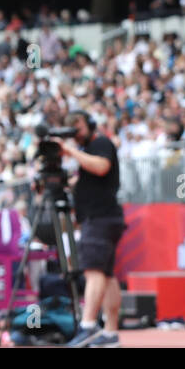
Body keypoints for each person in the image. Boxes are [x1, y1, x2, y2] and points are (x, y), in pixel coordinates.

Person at [62, 110, 125, 348]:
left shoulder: (101, 142)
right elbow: (87, 179)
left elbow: (101, 167)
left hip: (100, 218)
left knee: (94, 271)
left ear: (89, 124)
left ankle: (88, 327)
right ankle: (110, 332)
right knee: (107, 276)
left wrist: (70, 151)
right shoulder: (88, 151)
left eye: (77, 127)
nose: (75, 133)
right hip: (103, 218)